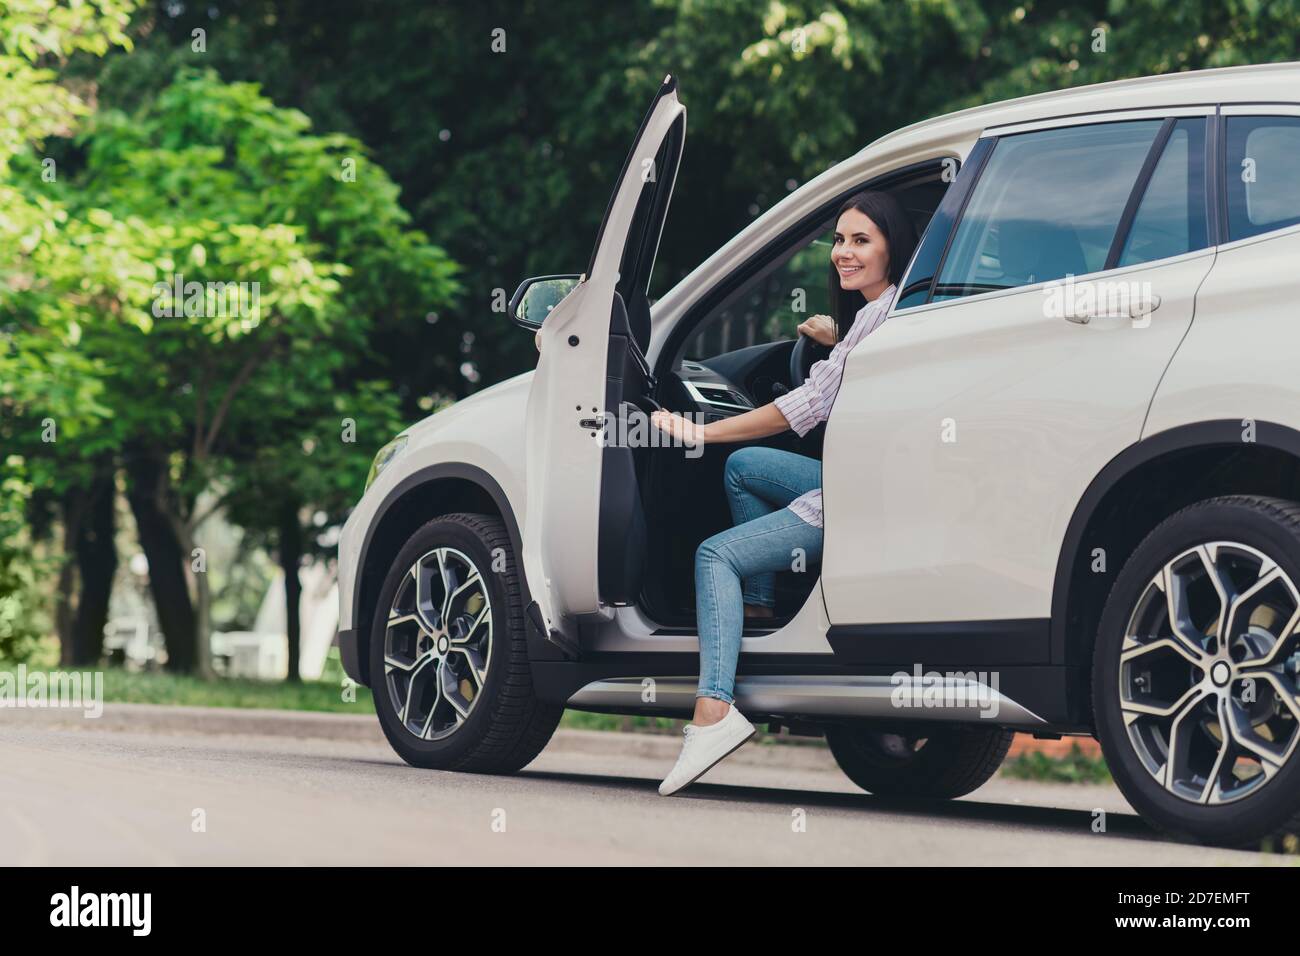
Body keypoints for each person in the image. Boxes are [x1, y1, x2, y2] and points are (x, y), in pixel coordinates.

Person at [649, 190, 918, 795]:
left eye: (862, 241)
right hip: (863, 479)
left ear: (892, 247)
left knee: (713, 555)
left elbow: (799, 408)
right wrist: (833, 340)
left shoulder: (882, 319)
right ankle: (761, 604)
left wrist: (701, 430)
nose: (843, 253)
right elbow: (840, 378)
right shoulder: (881, 313)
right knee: (745, 466)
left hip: (854, 496)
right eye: (840, 239)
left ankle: (713, 712)